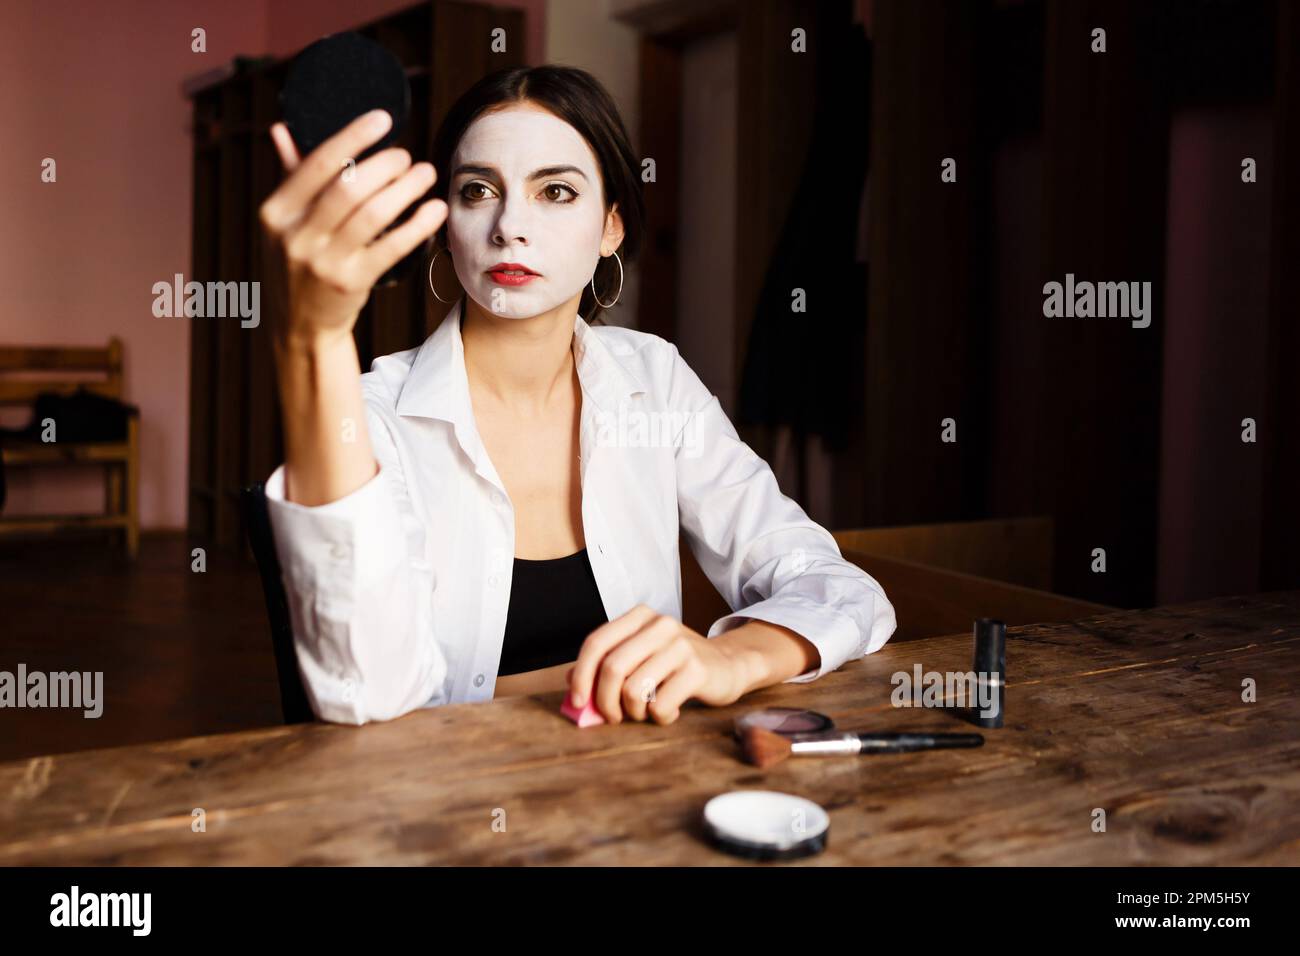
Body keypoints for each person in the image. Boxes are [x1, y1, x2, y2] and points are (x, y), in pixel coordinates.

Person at [257, 65, 896, 726]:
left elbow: (837, 588)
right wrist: (315, 341)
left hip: (634, 789)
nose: (509, 226)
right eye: (477, 191)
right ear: (446, 225)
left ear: (611, 227)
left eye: (556, 191)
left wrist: (733, 659)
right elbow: (369, 696)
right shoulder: (370, 415)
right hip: (443, 807)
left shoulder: (654, 379)